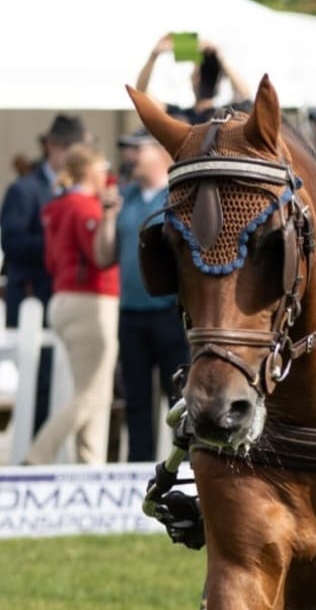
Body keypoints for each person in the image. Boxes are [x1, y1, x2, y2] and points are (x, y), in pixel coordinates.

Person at [94, 131, 189, 462]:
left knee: (178, 398)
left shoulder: (176, 196)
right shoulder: (126, 196)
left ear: (160, 152)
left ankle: (187, 471)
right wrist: (107, 217)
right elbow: (103, 257)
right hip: (131, 313)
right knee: (136, 399)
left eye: (137, 149)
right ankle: (138, 467)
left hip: (168, 312)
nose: (130, 156)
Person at [24, 146, 119, 465]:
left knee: (95, 392)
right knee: (91, 392)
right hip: (90, 299)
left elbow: (51, 260)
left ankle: (89, 467)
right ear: (90, 172)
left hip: (62, 297)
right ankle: (39, 454)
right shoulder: (85, 208)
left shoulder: (57, 207)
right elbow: (100, 256)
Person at [1, 112, 89, 431]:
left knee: (64, 382)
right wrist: (58, 243)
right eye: (70, 147)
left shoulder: (79, 190)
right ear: (53, 147)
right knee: (36, 382)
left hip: (68, 300)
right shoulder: (25, 190)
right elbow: (11, 242)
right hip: (33, 295)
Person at [134, 33, 252, 126]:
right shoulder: (181, 114)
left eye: (196, 74)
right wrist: (154, 55)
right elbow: (141, 95)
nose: (194, 78)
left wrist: (220, 57)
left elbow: (245, 94)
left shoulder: (225, 115)